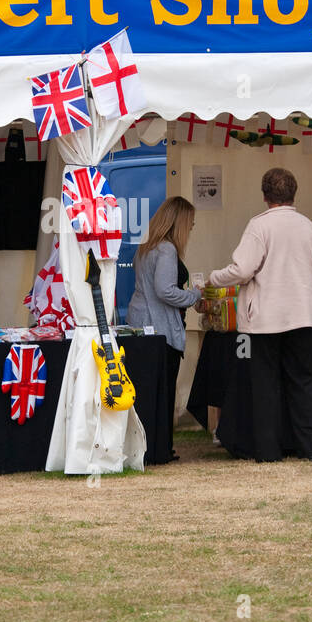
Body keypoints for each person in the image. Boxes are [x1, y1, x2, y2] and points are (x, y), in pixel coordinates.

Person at [208, 168, 312, 461]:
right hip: (302, 315)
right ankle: (310, 449)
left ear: (265, 196)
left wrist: (213, 278)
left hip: (265, 318)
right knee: (300, 383)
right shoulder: (307, 226)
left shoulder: (259, 226)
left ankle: (268, 451)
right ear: (294, 193)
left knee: (265, 386)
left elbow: (242, 269)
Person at [127, 197, 202, 460]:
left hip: (141, 326)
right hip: (160, 329)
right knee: (164, 390)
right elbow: (165, 291)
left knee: (147, 391)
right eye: (189, 225)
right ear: (179, 223)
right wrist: (194, 295)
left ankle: (147, 447)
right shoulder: (167, 250)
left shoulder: (147, 247)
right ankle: (160, 449)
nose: (190, 230)